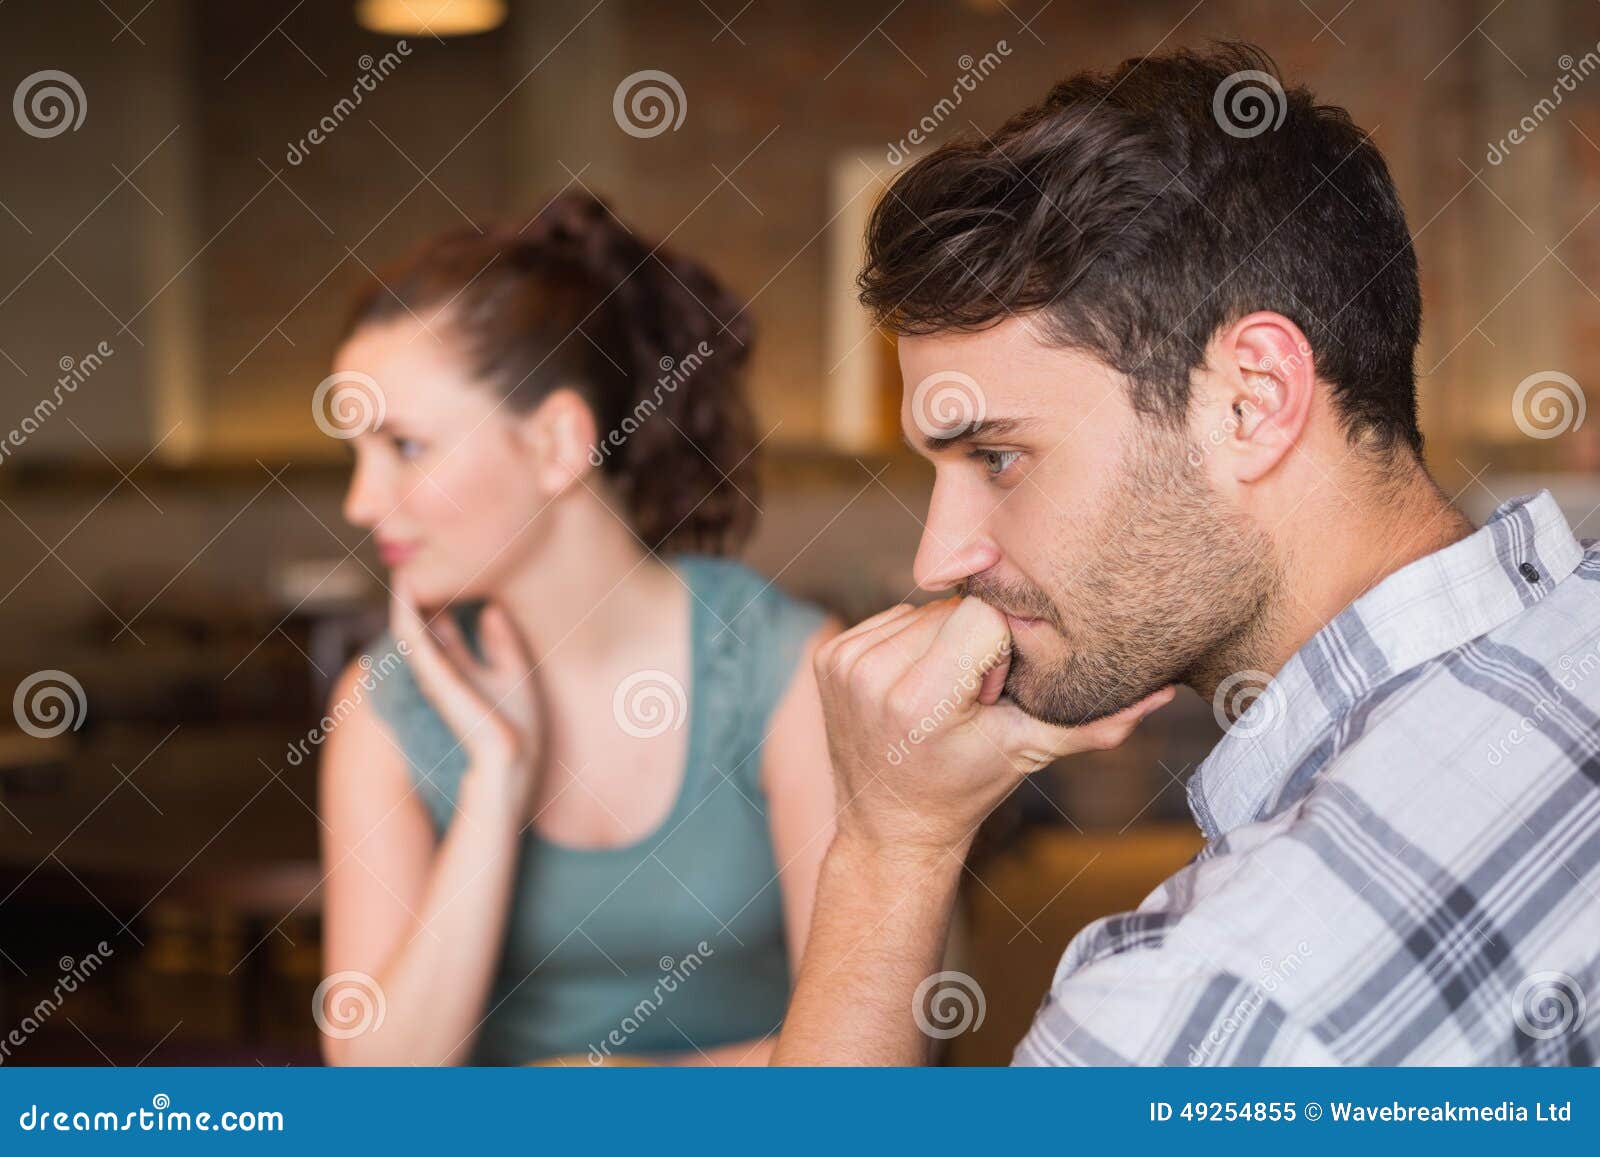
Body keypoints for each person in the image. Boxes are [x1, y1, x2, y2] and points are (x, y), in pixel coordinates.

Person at [773, 43, 1600, 1066]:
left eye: (997, 455)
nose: (940, 556)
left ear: (1250, 400)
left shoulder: (1187, 1012)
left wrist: (886, 850)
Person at [315, 192, 839, 1065]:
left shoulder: (785, 670)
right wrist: (494, 782)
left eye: (404, 446)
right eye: (355, 456)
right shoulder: (381, 705)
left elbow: (875, 1060)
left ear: (558, 442)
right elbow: (378, 1090)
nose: (360, 501)